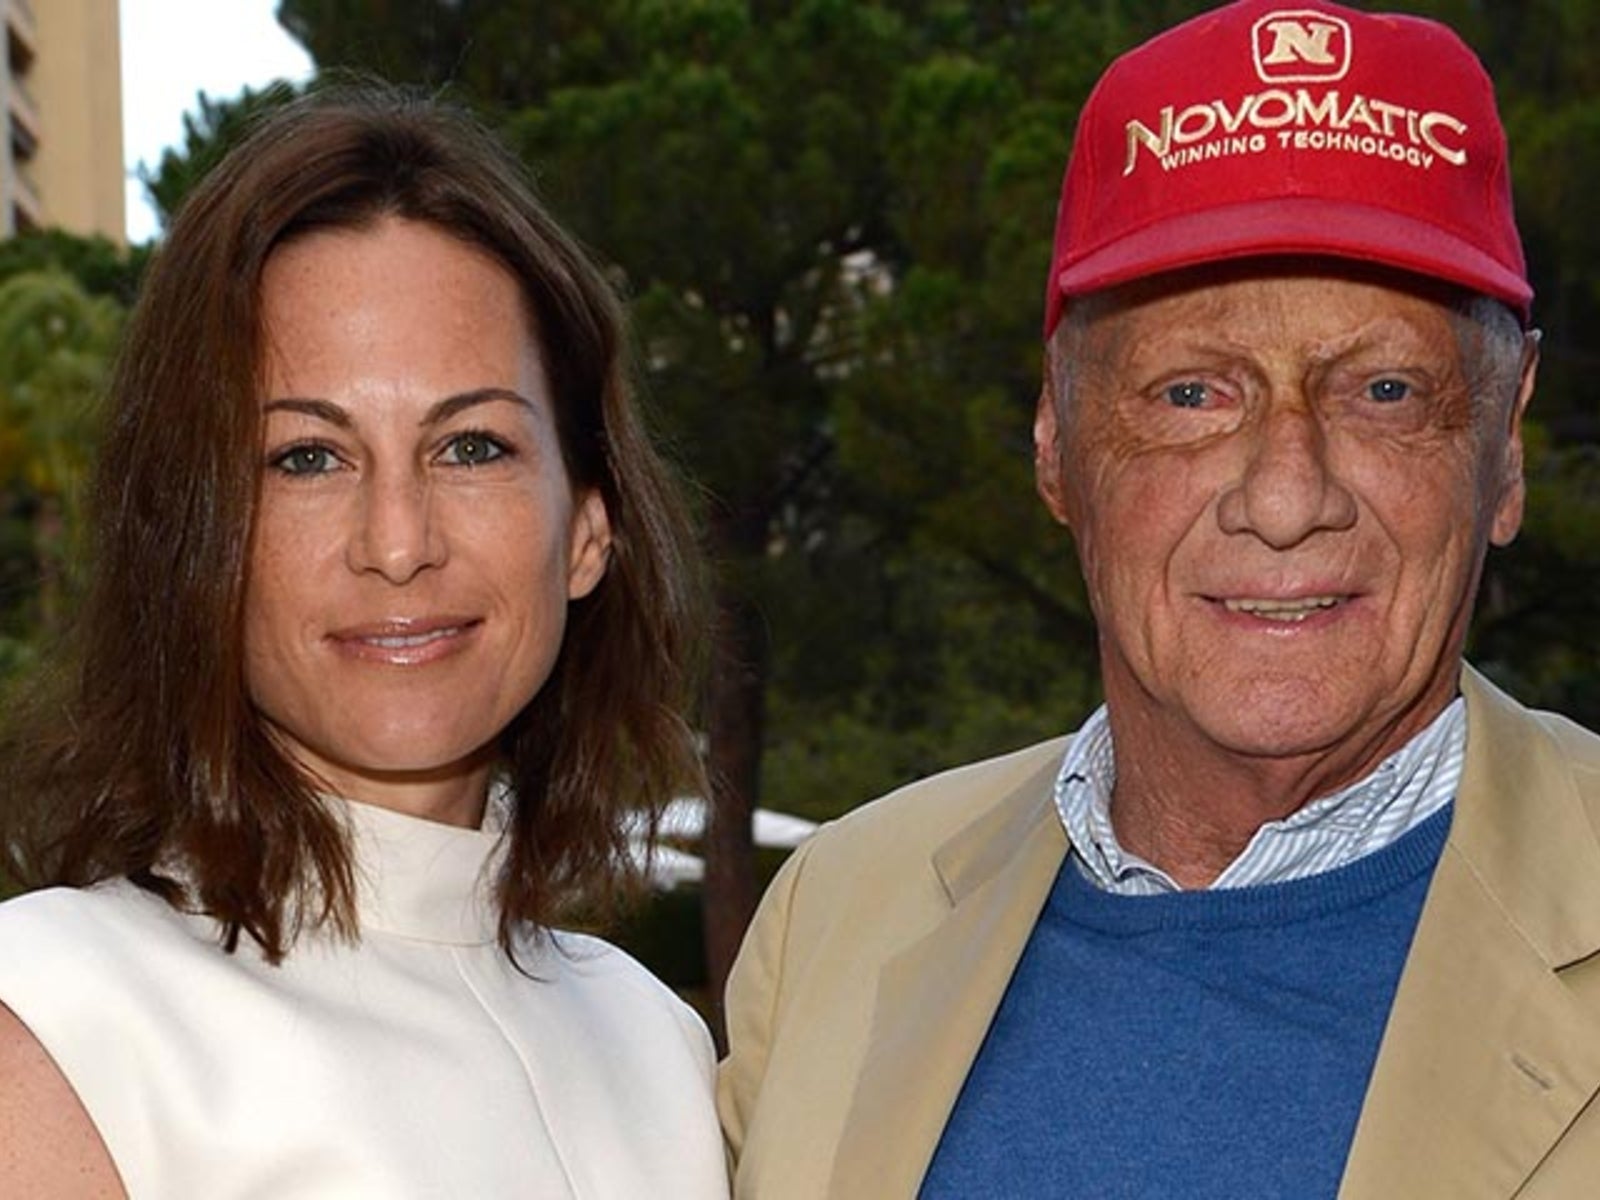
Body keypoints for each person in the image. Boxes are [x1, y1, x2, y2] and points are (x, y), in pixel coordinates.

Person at [719, 2, 1600, 1196]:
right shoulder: (838, 911)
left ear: (1505, 447)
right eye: (1191, 395)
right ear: (1054, 442)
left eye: (1385, 391)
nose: (1284, 498)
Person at [0, 87, 728, 1198]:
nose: (397, 544)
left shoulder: (653, 1043)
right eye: (305, 457)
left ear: (588, 527)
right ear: (197, 540)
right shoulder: (57, 1023)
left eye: (471, 446)